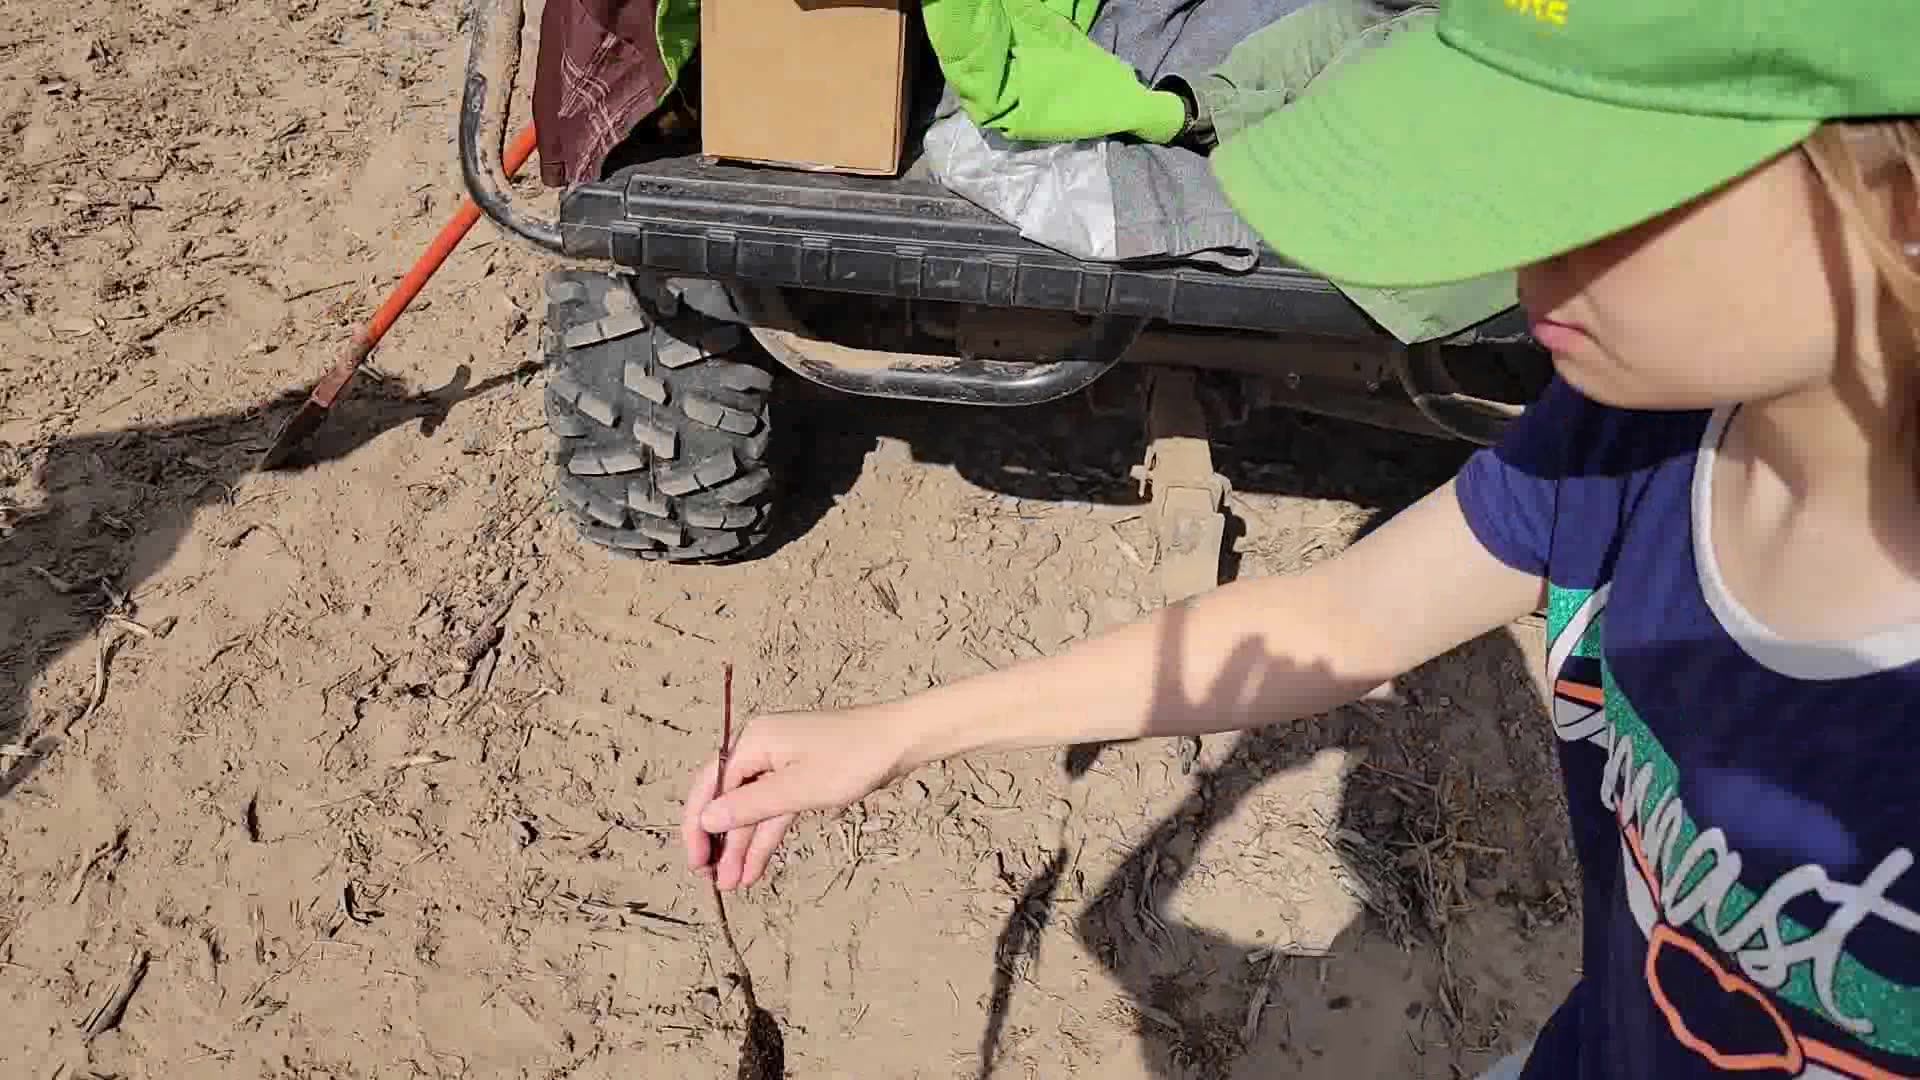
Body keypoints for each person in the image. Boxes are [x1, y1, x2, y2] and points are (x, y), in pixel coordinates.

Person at [683, 1, 1920, 1075]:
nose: (1515, 243)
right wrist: (895, 735)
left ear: (1899, 202)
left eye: (1590, 185)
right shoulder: (1632, 441)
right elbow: (1341, 621)